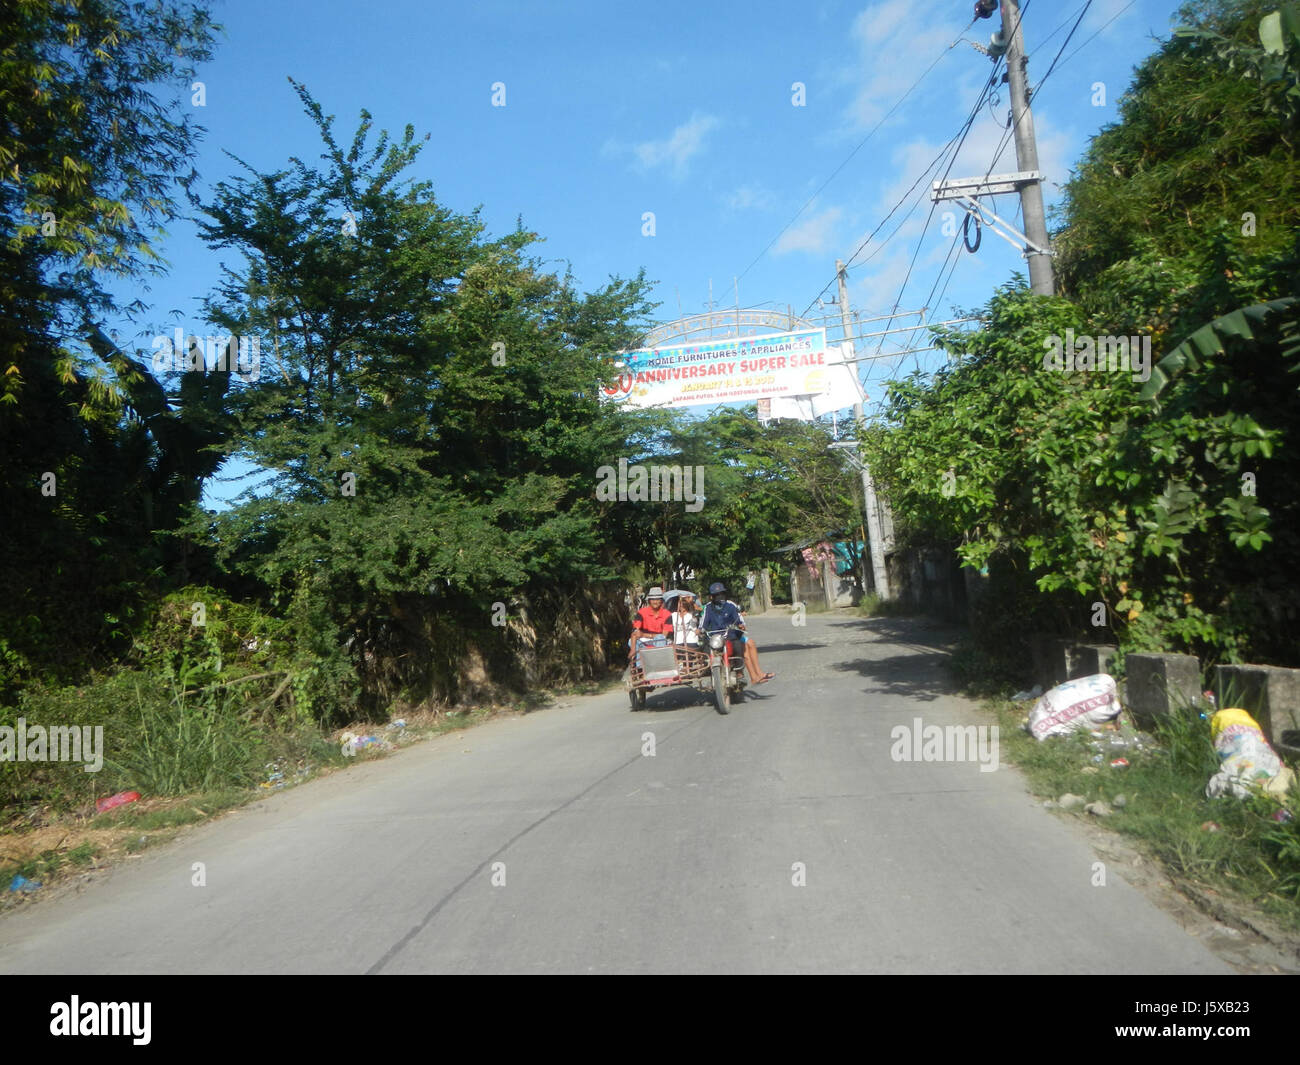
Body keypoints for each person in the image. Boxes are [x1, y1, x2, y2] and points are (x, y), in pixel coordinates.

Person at [701, 581, 774, 684]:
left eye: (721, 594)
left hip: (730, 635)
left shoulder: (730, 605)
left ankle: (742, 671)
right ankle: (754, 676)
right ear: (711, 597)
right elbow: (703, 623)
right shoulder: (708, 608)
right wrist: (700, 630)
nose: (719, 597)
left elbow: (738, 620)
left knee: (741, 646)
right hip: (715, 638)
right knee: (706, 649)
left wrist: (740, 625)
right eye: (716, 595)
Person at [630, 586, 672, 658]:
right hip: (644, 641)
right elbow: (635, 632)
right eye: (653, 599)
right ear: (649, 601)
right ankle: (640, 666)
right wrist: (633, 649)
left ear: (661, 601)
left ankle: (658, 661)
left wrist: (644, 634)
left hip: (660, 641)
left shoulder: (667, 614)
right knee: (631, 641)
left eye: (657, 599)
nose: (655, 602)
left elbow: (664, 636)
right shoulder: (642, 612)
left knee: (659, 637)